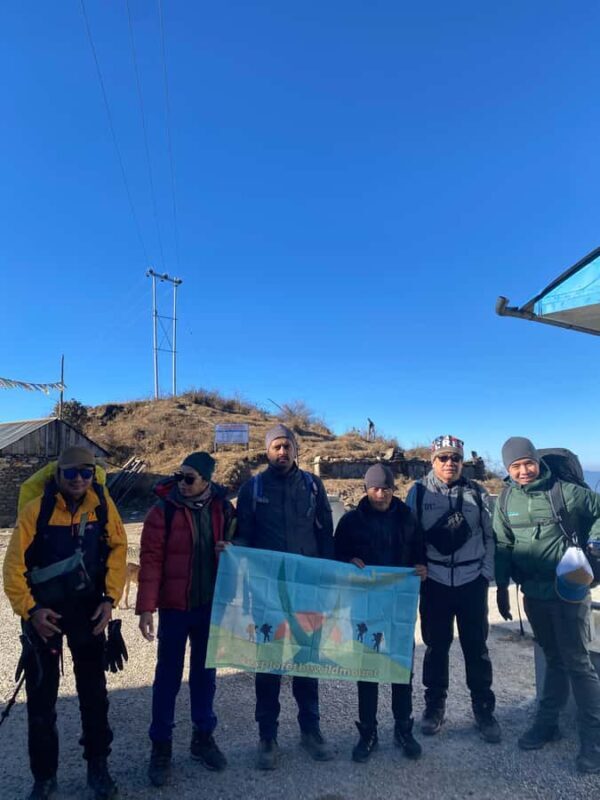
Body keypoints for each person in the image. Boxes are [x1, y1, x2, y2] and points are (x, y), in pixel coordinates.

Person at [3, 446, 127, 800]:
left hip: (89, 612)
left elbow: (118, 548)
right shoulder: (35, 510)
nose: (78, 480)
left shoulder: (101, 505)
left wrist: (109, 600)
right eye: (70, 473)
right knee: (41, 702)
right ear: (58, 474)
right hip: (46, 617)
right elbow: (13, 567)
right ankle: (44, 779)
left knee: (94, 696)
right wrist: (30, 611)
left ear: (93, 475)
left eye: (85, 473)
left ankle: (98, 769)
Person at [494, 437, 600, 774]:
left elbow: (598, 510)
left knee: (577, 662)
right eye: (515, 466)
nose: (524, 471)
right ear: (507, 470)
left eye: (528, 462)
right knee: (553, 658)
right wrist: (500, 586)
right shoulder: (506, 497)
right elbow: (503, 542)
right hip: (534, 593)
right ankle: (548, 723)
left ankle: (593, 738)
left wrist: (595, 544)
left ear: (537, 460)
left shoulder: (564, 492)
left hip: (570, 590)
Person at [235, 423, 334, 770]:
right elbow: (243, 536)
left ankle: (311, 729)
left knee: (307, 660)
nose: (282, 452)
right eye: (276, 447)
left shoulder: (312, 485)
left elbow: (326, 533)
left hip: (307, 589)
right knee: (269, 664)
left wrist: (327, 577)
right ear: (267, 451)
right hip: (268, 591)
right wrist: (232, 552)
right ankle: (267, 736)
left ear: (295, 450)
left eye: (286, 447)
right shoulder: (252, 488)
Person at [136, 451, 236, 787]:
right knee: (167, 677)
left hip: (210, 606)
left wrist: (231, 548)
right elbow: (149, 561)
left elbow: (243, 545)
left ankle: (202, 738)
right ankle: (160, 746)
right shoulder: (162, 511)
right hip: (174, 608)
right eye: (179, 476)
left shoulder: (223, 508)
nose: (182, 483)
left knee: (205, 675)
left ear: (207, 480)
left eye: (190, 478)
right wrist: (146, 608)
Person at [406, 435, 500, 743]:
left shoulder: (478, 493)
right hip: (434, 582)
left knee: (476, 647)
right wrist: (416, 568)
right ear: (432, 461)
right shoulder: (418, 493)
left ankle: (484, 709)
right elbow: (410, 536)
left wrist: (485, 574)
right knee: (436, 647)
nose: (450, 463)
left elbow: (490, 536)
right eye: (443, 458)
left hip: (471, 580)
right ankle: (434, 707)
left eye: (455, 458)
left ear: (462, 462)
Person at [335, 463, 427, 763]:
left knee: (401, 668)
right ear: (366, 489)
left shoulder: (408, 519)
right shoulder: (350, 521)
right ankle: (368, 732)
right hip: (365, 606)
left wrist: (421, 568)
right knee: (368, 670)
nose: (381, 493)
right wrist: (350, 561)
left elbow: (420, 553)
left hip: (399, 605)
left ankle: (403, 728)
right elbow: (337, 557)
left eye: (386, 487)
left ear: (393, 489)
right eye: (375, 487)